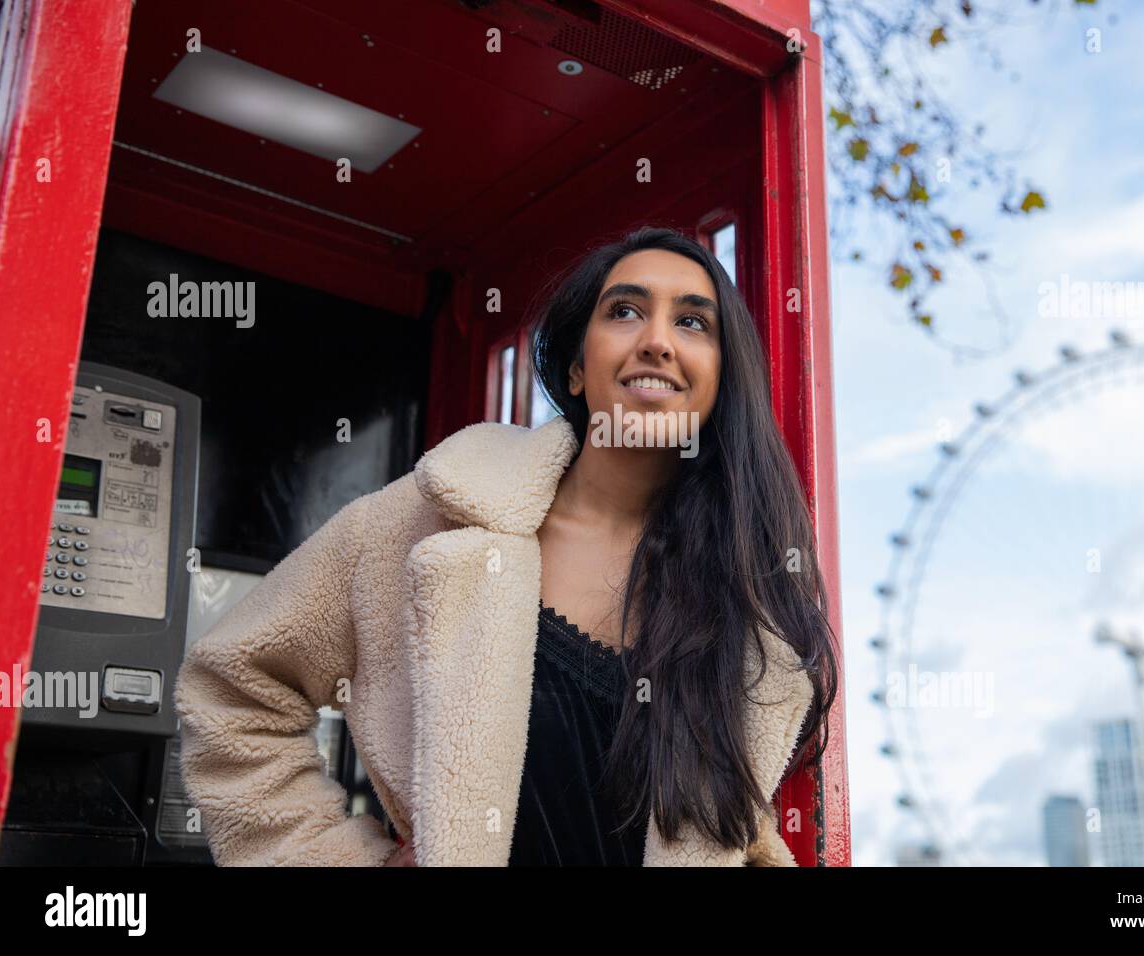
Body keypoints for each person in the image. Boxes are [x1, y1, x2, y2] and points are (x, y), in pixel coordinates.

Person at [173, 225, 838, 867]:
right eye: (626, 311)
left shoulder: (743, 593)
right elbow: (233, 684)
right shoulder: (427, 520)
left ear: (721, 380)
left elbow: (730, 834)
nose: (658, 341)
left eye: (692, 322)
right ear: (578, 369)